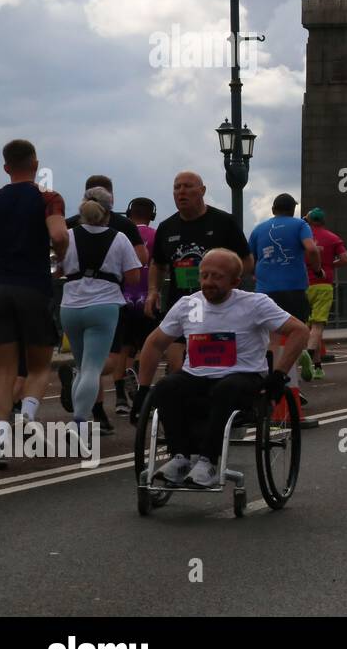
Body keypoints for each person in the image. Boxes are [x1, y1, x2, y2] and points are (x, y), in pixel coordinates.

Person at [133, 249, 310, 488]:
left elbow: (299, 331)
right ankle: (180, 457)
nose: (208, 282)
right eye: (204, 276)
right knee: (165, 387)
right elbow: (154, 343)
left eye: (216, 277)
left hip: (242, 377)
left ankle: (209, 462)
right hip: (196, 376)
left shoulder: (255, 304)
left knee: (225, 388)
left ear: (235, 281)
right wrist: (143, 388)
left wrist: (278, 375)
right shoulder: (188, 305)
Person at [0, 140, 68, 468]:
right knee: (39, 366)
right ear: (36, 164)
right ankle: (26, 417)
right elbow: (59, 236)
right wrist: (62, 260)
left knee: (3, 369)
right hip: (33, 288)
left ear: (6, 167)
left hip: (0, 289)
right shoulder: (47, 198)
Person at [63, 174, 149, 434]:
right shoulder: (119, 237)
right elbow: (134, 275)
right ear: (108, 211)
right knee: (92, 367)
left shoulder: (68, 234)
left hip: (70, 304)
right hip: (104, 304)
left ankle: (81, 410)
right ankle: (78, 423)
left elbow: (56, 268)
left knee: (82, 365)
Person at [147, 172, 252, 377]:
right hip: (183, 303)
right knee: (179, 369)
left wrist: (229, 281)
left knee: (215, 367)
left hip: (218, 304)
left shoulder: (223, 222)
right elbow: (157, 265)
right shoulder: (166, 227)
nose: (181, 191)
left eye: (188, 186)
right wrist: (152, 292)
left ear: (202, 191)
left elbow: (247, 260)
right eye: (177, 187)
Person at [247, 194, 320, 385]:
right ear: (293, 210)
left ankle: (272, 380)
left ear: (273, 209)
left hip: (265, 290)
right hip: (293, 288)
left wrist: (255, 273)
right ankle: (292, 380)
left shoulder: (258, 229)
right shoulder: (300, 225)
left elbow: (249, 260)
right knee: (296, 334)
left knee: (273, 339)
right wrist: (317, 269)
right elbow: (311, 249)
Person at [115, 197, 160, 413]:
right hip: (147, 298)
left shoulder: (120, 235)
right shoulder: (156, 235)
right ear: (152, 215)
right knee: (148, 344)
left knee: (122, 347)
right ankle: (138, 378)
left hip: (122, 296)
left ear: (129, 213)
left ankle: (120, 399)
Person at [303, 208, 347, 379]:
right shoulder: (332, 237)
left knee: (309, 328)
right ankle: (307, 357)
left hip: (303, 284)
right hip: (323, 284)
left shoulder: (302, 236)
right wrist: (330, 265)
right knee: (317, 326)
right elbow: (346, 259)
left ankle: (317, 367)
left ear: (309, 220)